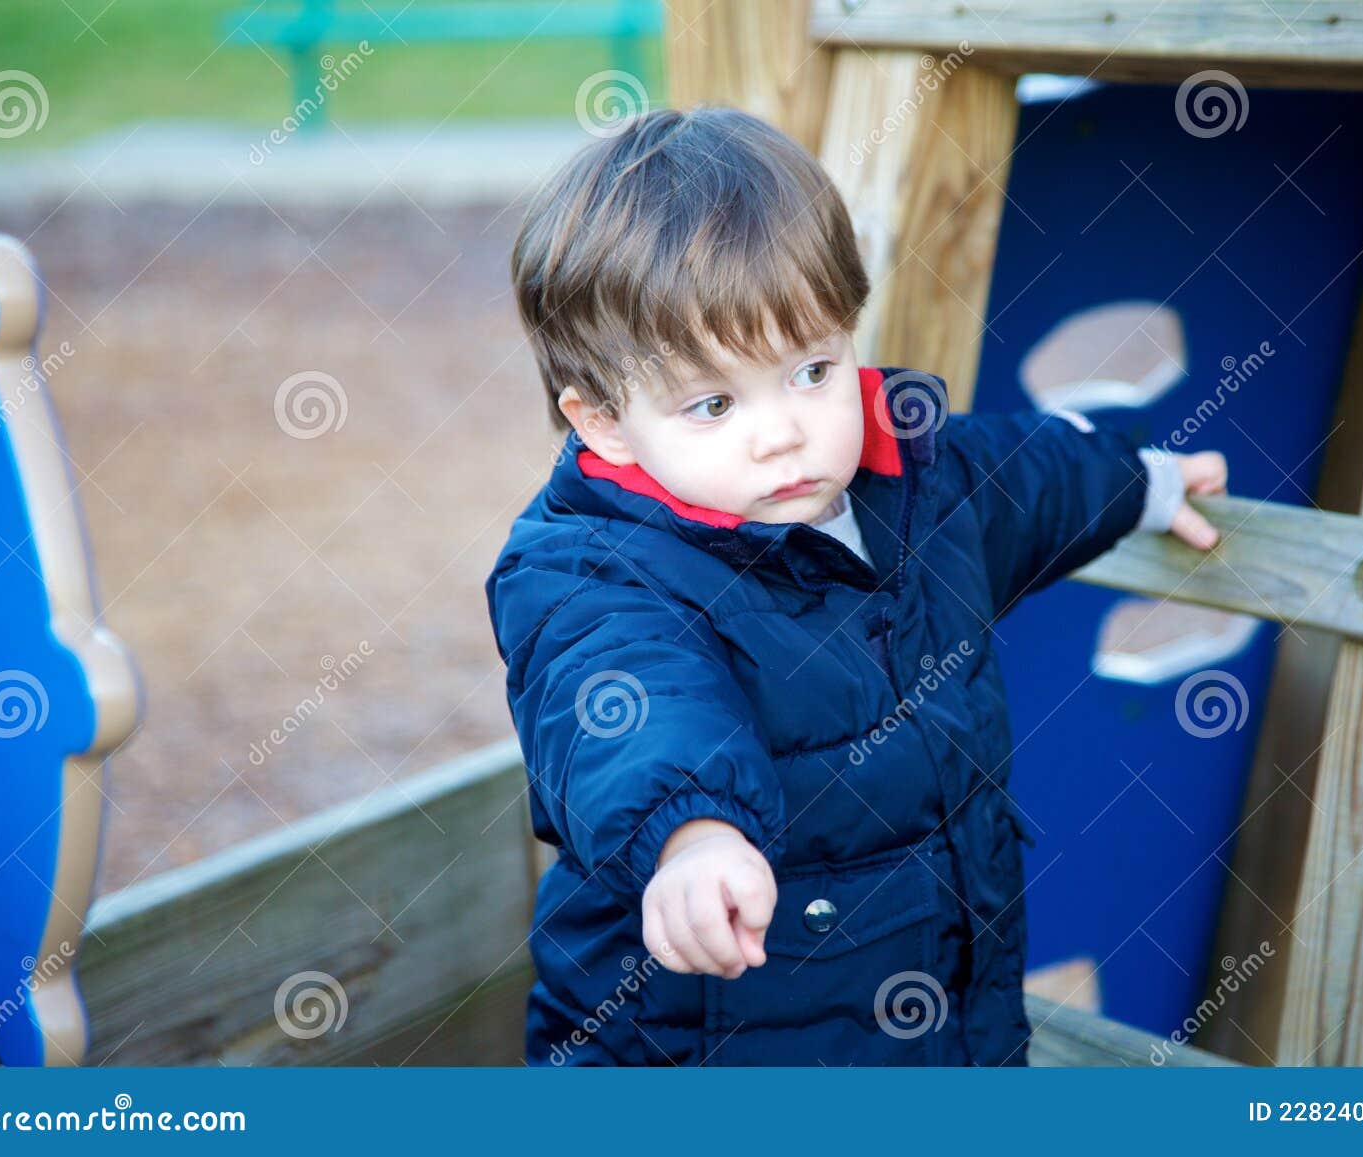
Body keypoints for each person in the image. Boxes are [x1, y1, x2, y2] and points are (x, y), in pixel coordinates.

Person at [487, 104, 1229, 1066]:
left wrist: (1144, 482)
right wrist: (693, 838)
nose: (782, 430)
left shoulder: (913, 478)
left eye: (811, 369)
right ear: (607, 426)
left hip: (945, 1017)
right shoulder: (591, 570)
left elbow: (1030, 481)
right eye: (713, 402)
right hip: (710, 1055)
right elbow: (628, 700)